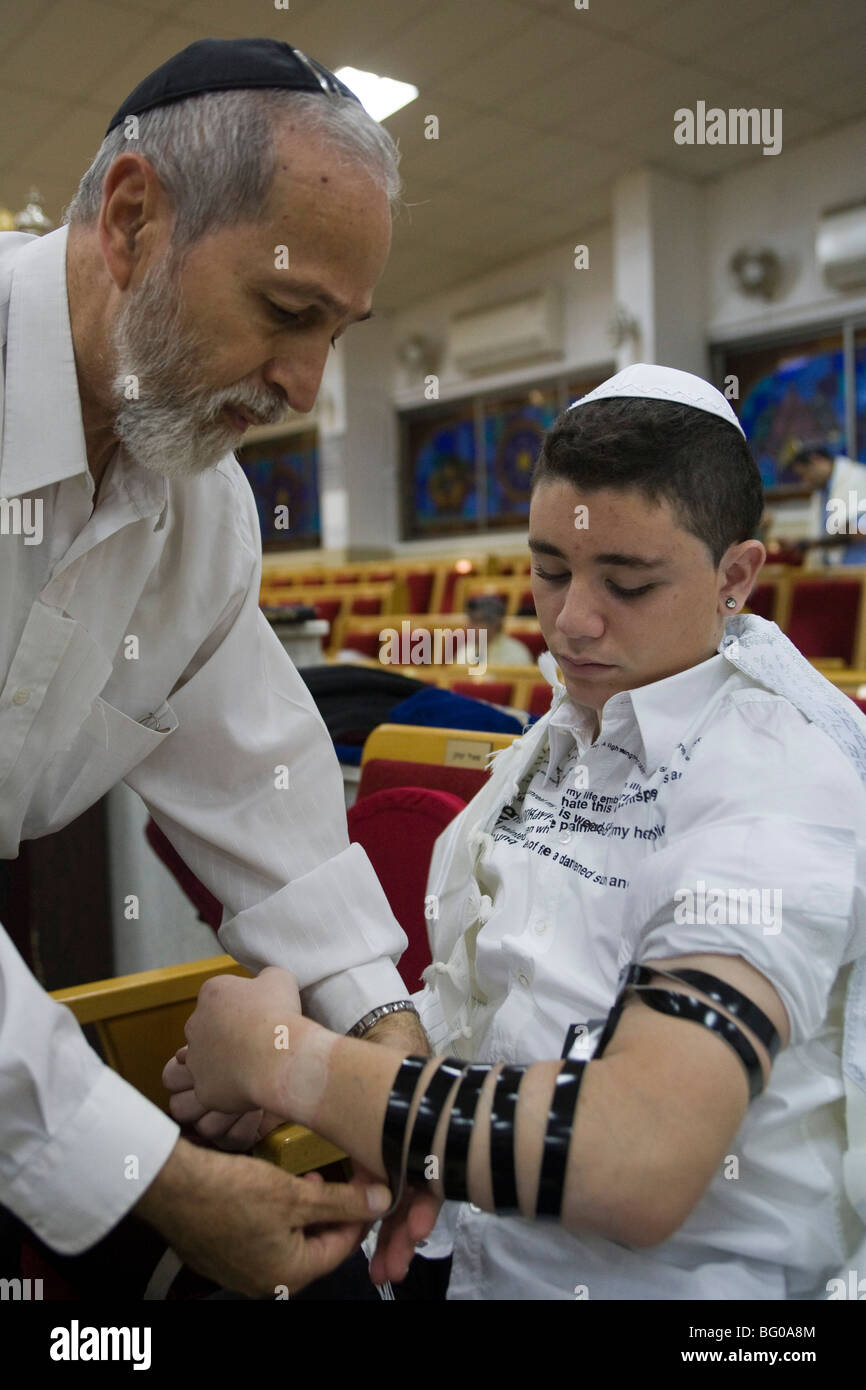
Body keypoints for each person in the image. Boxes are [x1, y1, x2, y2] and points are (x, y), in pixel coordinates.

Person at [179, 364, 866, 1299]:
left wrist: (287, 1064)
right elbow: (478, 1016)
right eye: (549, 571)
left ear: (736, 575)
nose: (571, 622)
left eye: (627, 582)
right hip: (453, 1249)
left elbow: (641, 1154)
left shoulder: (776, 785)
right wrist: (393, 1114)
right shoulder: (556, 742)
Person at [0, 37, 431, 1298]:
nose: (304, 383)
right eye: (288, 314)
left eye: (337, 334)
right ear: (131, 219)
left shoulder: (202, 510)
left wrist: (391, 1056)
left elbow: (266, 798)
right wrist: (158, 1181)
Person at [786, 443, 866, 564]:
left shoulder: (858, 478)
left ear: (815, 460)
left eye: (804, 474)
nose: (805, 481)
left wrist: (811, 543)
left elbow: (860, 531)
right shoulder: (822, 492)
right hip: (836, 571)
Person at [464, 594, 533, 666]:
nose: (469, 627)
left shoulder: (516, 654)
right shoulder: (465, 651)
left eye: (477, 621)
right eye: (470, 621)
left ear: (495, 624)